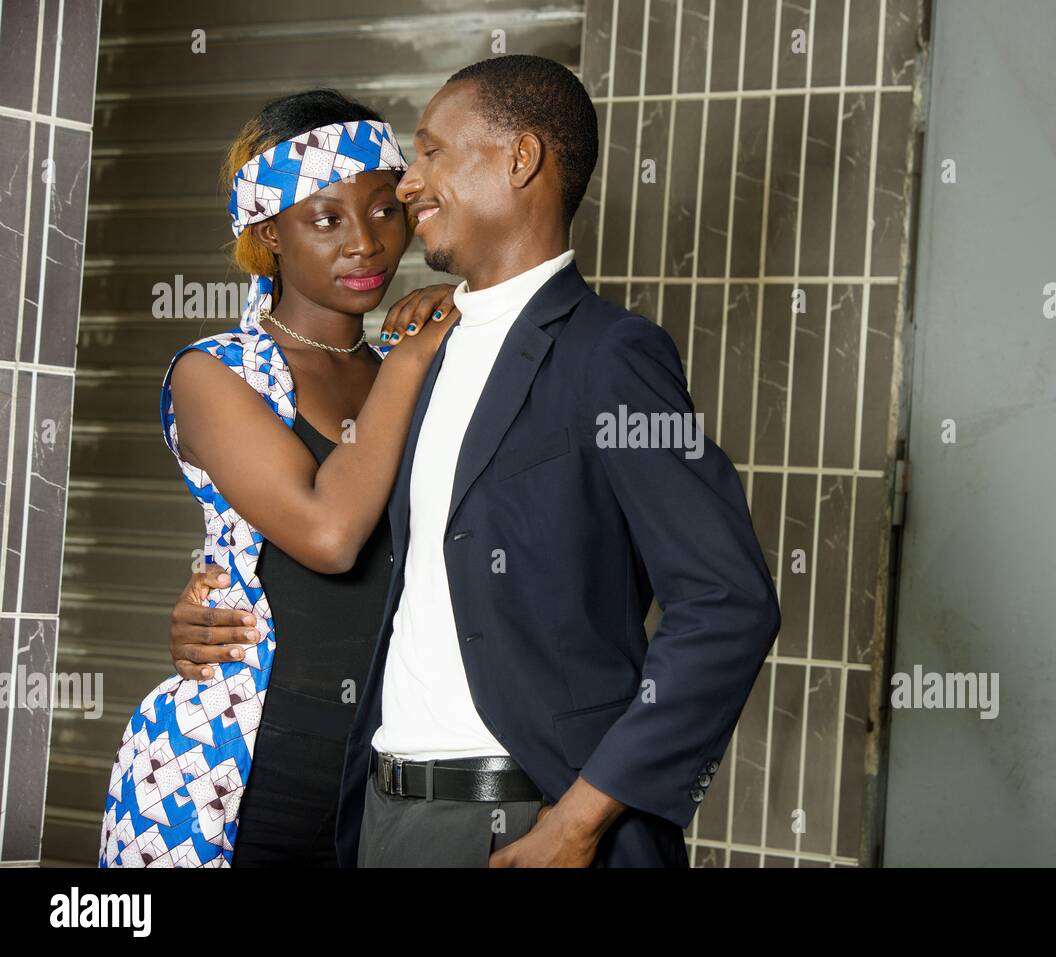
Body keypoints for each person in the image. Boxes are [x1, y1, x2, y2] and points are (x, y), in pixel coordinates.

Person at [167, 54, 782, 868]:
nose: (408, 189)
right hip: (379, 811)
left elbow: (728, 600)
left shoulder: (610, 355)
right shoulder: (417, 360)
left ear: (521, 159)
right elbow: (355, 545)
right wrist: (218, 582)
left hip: (520, 816)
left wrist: (582, 820)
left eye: (427, 157)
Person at [97, 89, 463, 867]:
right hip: (241, 763)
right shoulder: (214, 373)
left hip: (390, 767)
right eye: (325, 219)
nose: (365, 243)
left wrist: (462, 321)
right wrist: (412, 359)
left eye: (382, 211)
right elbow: (328, 535)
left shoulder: (425, 365)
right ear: (269, 233)